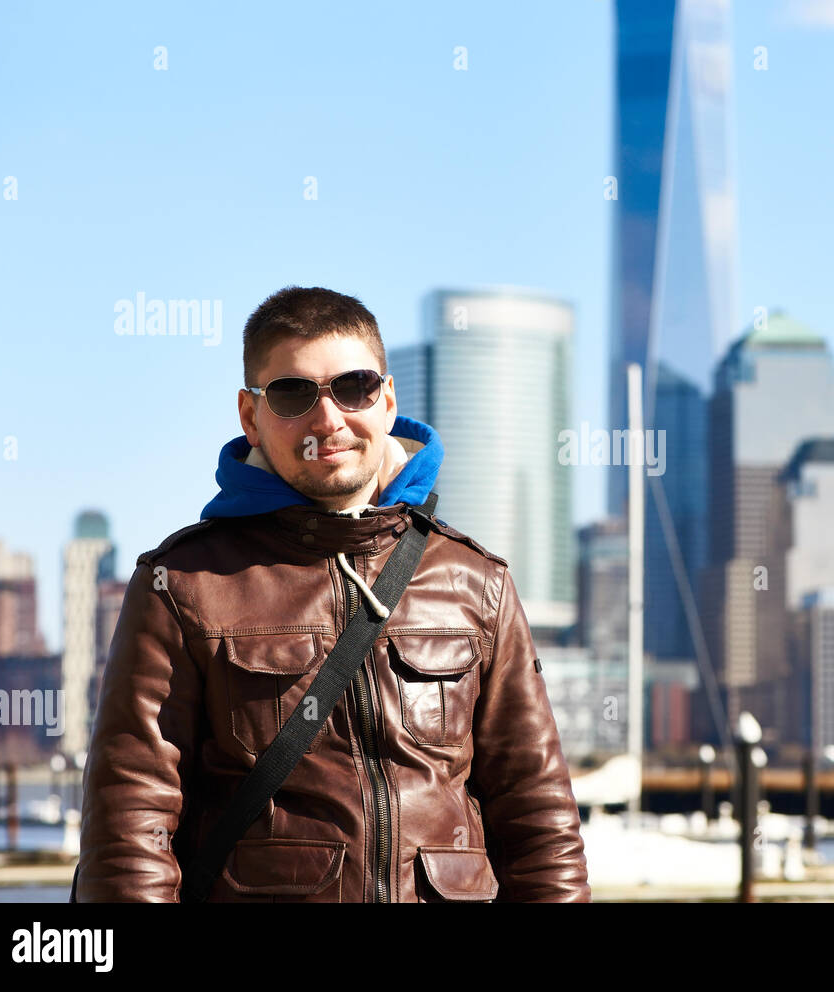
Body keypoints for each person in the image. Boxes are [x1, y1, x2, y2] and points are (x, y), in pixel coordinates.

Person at [73, 286, 590, 902]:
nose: (328, 419)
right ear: (250, 416)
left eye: (354, 388)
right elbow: (131, 828)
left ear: (388, 400)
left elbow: (539, 822)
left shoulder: (477, 581)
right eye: (293, 395)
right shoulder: (182, 584)